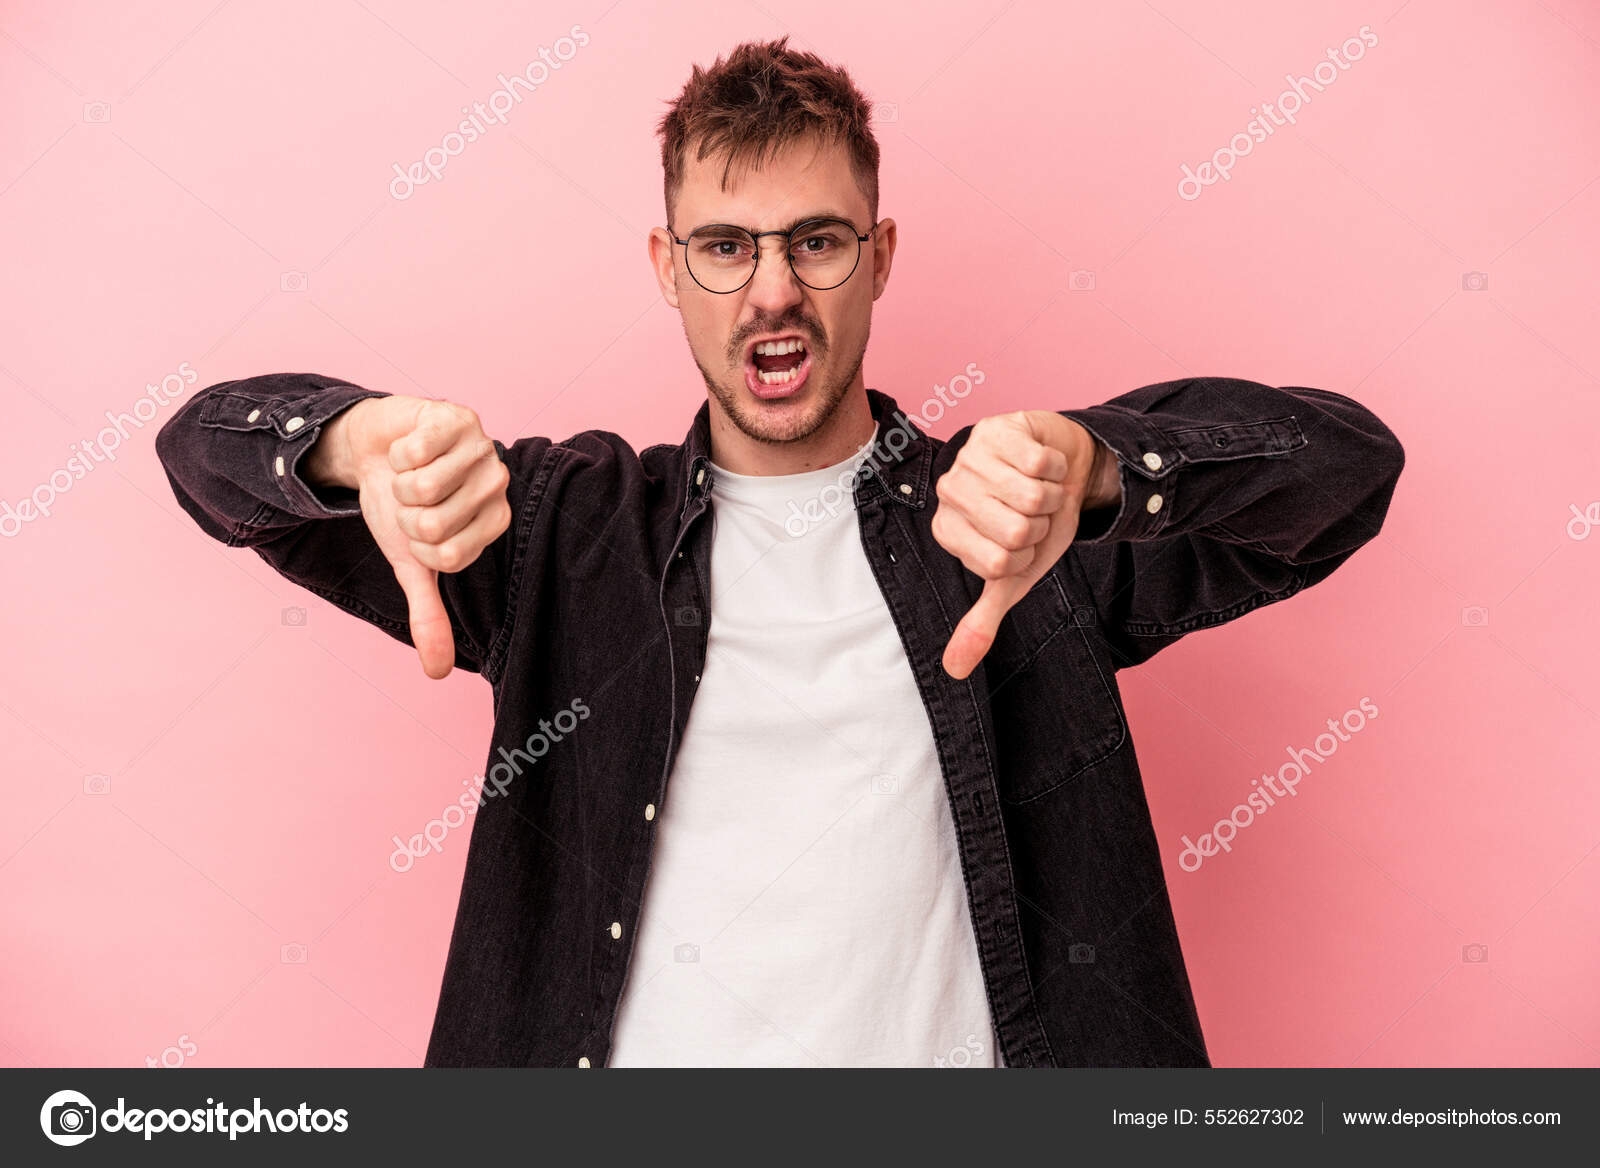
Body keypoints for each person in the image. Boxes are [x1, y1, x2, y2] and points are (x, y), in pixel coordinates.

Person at [154, 37, 1404, 1068]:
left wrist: (1105, 470)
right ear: (668, 266)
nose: (770, 291)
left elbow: (1345, 474)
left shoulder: (1012, 521)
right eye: (724, 244)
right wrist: (342, 446)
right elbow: (200, 453)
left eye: (815, 240)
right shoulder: (557, 530)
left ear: (879, 256)